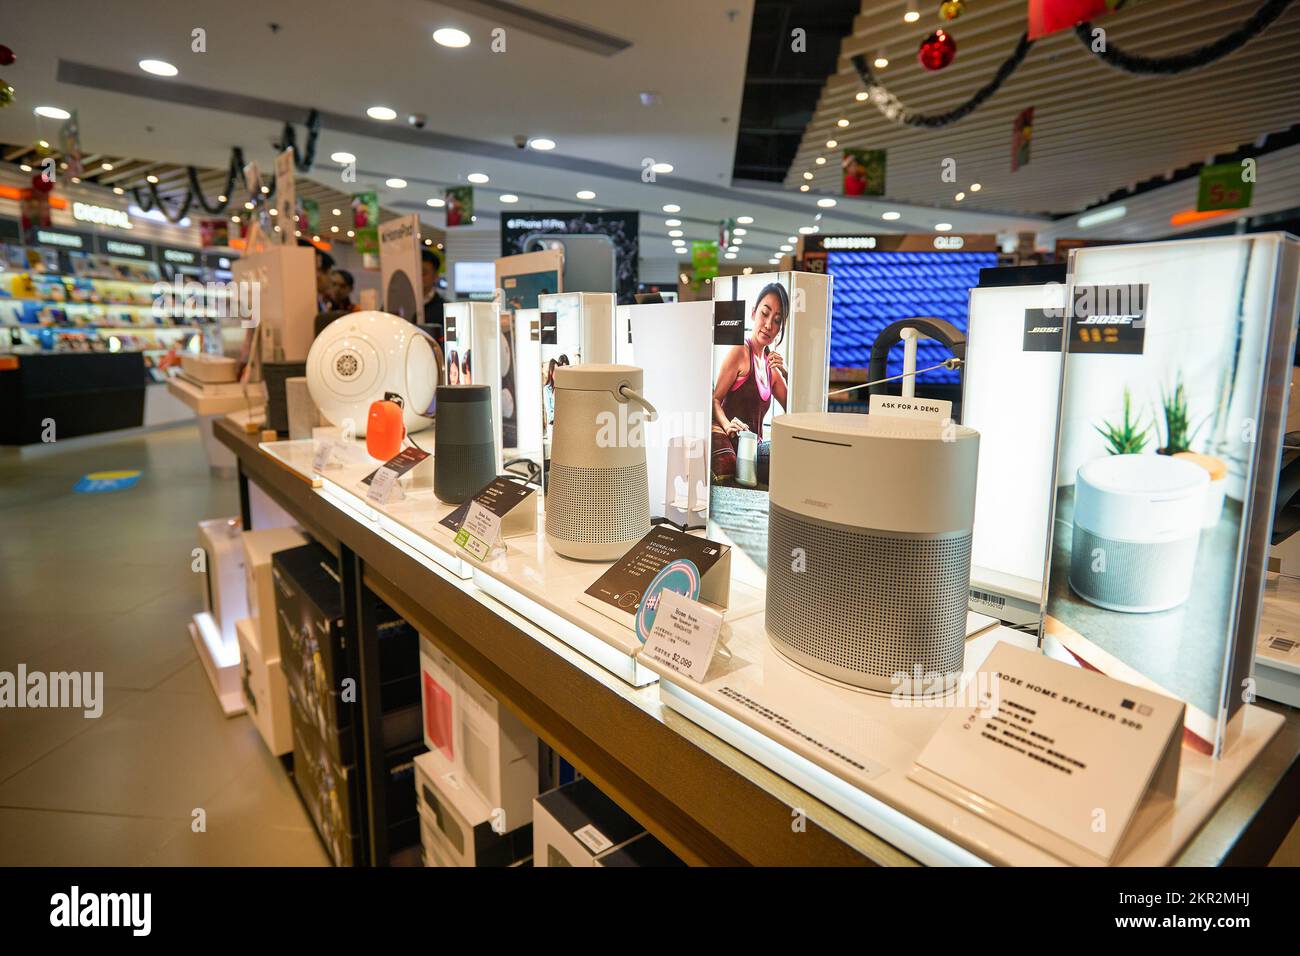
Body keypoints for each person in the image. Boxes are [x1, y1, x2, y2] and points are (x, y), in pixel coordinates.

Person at [710, 282, 789, 483]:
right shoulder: (740, 351)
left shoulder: (772, 365)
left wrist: (786, 372)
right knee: (789, 455)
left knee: (798, 448)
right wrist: (728, 426)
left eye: (777, 320)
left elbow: (796, 409)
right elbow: (715, 400)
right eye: (765, 313)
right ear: (753, 313)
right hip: (741, 450)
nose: (769, 325)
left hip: (758, 449)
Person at [421, 249, 446, 347]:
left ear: (435, 276)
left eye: (423, 273)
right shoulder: (395, 304)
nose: (418, 277)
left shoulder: (444, 309)